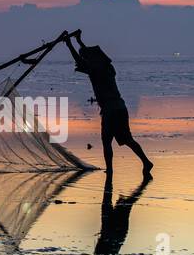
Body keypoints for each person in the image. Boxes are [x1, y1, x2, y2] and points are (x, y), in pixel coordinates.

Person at [64, 30, 153, 175]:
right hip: (120, 107)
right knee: (127, 140)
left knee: (107, 141)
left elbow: (81, 61)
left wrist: (69, 45)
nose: (85, 59)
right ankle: (145, 162)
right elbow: (88, 56)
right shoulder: (106, 68)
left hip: (111, 111)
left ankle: (111, 170)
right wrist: (79, 41)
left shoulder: (96, 70)